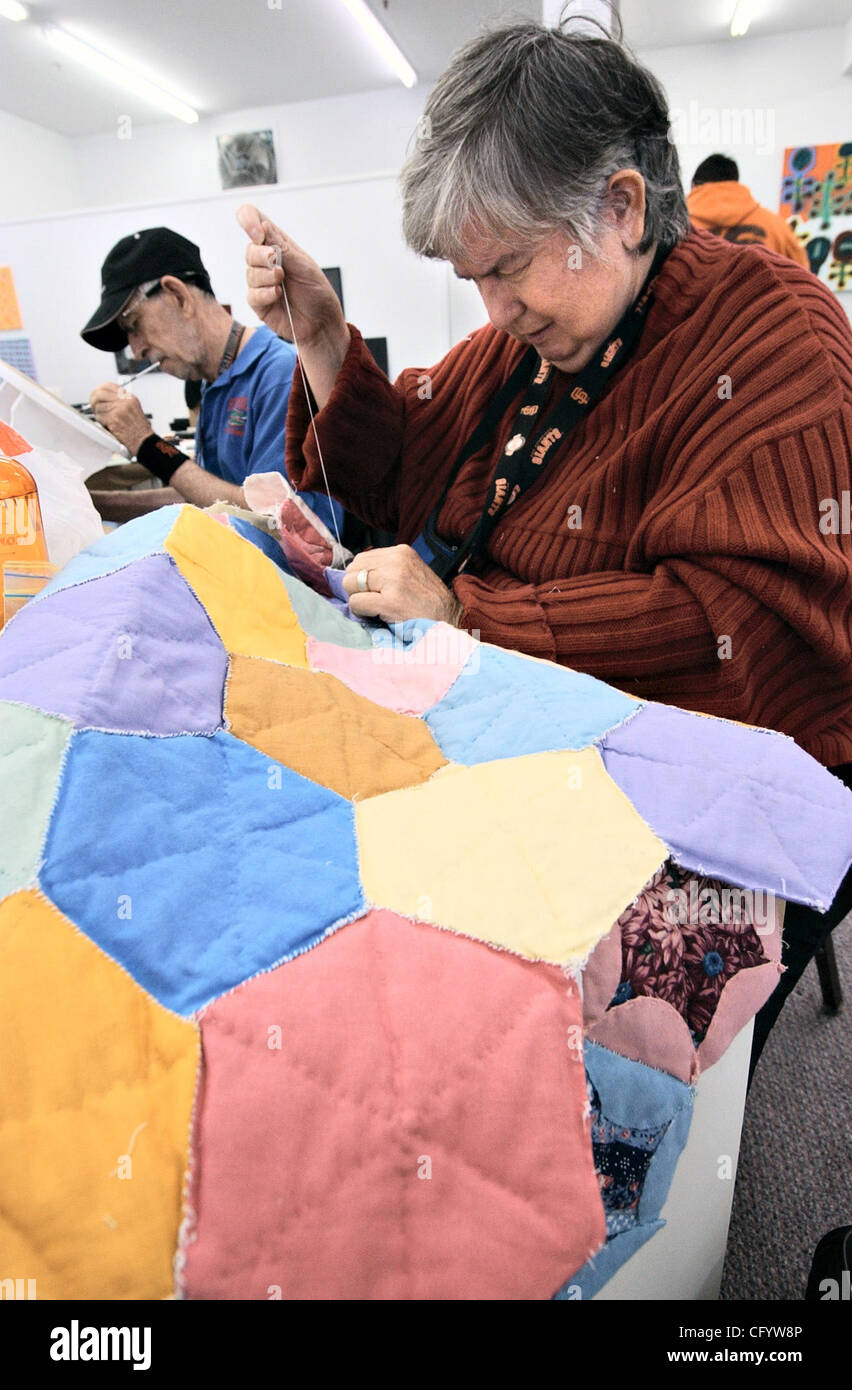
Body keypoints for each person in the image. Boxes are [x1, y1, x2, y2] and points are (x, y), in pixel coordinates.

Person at [240, 18, 852, 1074]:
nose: (495, 309)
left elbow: (741, 641)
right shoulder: (542, 335)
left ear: (620, 206)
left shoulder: (781, 346)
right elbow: (403, 462)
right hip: (545, 746)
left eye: (508, 267)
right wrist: (328, 338)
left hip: (730, 801)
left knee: (558, 1060)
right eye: (473, 277)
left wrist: (470, 618)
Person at [81, 226, 343, 535]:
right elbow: (202, 495)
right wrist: (94, 503)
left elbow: (277, 519)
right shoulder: (214, 384)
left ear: (178, 296)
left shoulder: (280, 375)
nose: (137, 349)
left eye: (134, 325)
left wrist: (147, 443)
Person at [687, 153, 809, 266]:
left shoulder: (677, 226)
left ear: (693, 185)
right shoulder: (777, 228)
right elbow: (804, 281)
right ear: (735, 183)